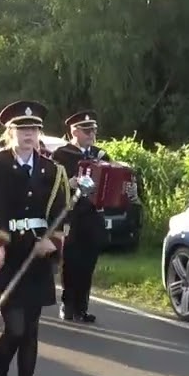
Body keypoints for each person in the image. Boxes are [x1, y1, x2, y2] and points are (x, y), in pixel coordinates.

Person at [0, 100, 67, 376]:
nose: (28, 134)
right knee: (15, 328)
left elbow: (60, 212)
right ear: (11, 132)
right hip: (10, 254)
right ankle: (0, 371)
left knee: (31, 330)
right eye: (22, 129)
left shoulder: (52, 170)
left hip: (38, 256)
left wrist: (52, 242)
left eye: (33, 129)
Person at [50, 111, 109, 323]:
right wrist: (69, 183)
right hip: (72, 215)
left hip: (93, 216)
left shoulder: (101, 155)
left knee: (88, 262)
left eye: (93, 130)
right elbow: (52, 184)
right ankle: (68, 304)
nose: (92, 134)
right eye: (87, 130)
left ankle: (82, 307)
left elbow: (109, 181)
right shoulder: (62, 155)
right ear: (74, 131)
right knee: (71, 261)